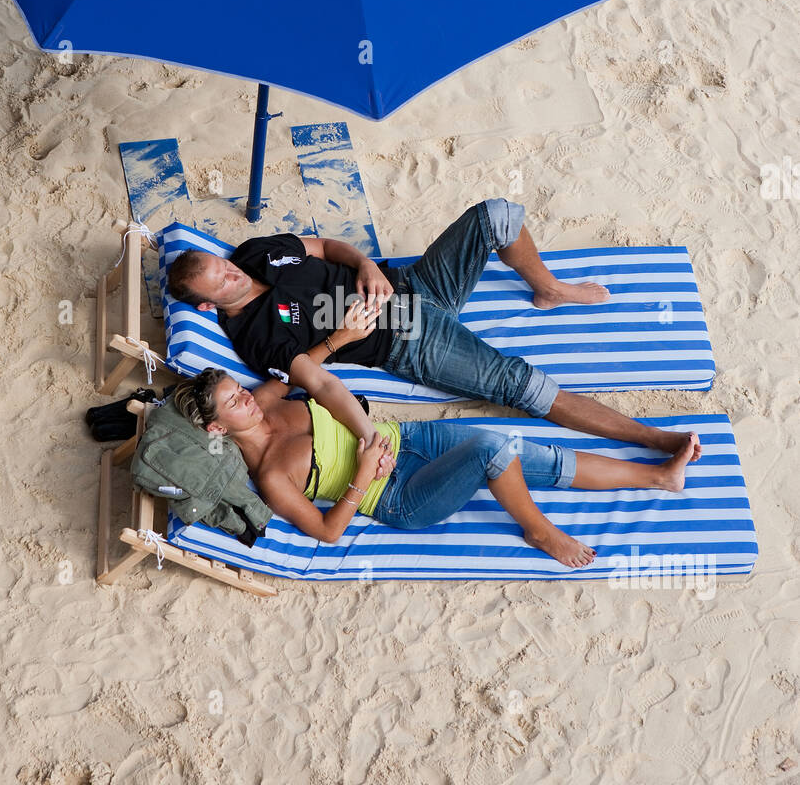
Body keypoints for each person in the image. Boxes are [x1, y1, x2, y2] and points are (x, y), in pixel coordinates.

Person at [167, 199, 702, 465]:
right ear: (211, 302)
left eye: (225, 263)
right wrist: (342, 341)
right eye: (225, 279)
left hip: (412, 283)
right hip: (406, 336)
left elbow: (328, 247)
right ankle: (653, 439)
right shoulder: (255, 335)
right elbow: (316, 380)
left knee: (498, 215)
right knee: (523, 385)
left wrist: (369, 267)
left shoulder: (254, 252)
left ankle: (550, 288)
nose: (235, 270)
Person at [172, 367, 699, 570]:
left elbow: (304, 370)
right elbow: (329, 532)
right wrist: (362, 472)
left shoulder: (272, 401)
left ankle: (659, 477)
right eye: (233, 402)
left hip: (407, 439)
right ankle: (539, 530)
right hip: (399, 494)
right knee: (493, 450)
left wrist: (369, 437)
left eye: (237, 390)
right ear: (218, 429)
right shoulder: (269, 475)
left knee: (523, 451)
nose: (244, 398)